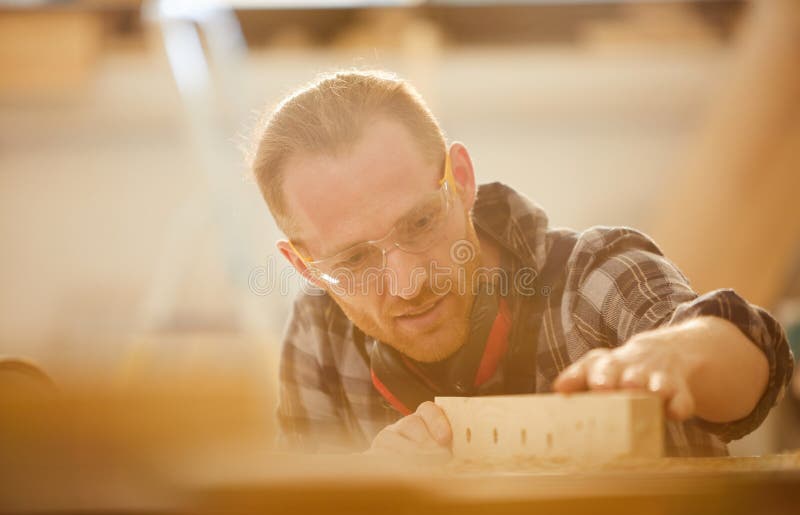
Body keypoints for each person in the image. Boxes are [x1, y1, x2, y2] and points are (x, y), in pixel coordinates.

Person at [247, 70, 794, 457]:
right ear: (304, 265)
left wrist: (683, 350)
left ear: (462, 180)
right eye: (353, 259)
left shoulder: (593, 277)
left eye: (420, 223)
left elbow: (754, 368)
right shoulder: (318, 335)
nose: (409, 283)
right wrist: (373, 502)